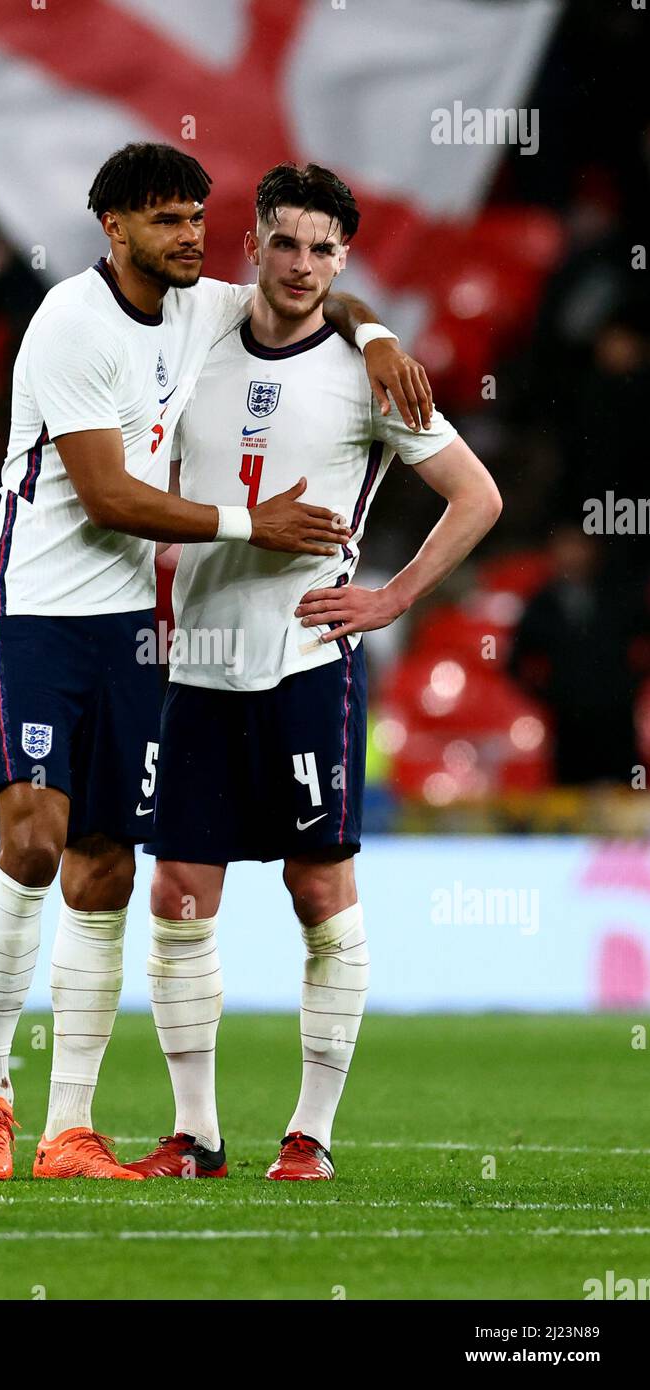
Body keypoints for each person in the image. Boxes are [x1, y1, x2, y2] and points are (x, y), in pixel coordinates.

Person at [0, 142, 432, 1181]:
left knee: (106, 866)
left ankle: (68, 1128)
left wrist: (376, 331)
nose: (188, 237)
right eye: (165, 220)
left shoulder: (199, 306)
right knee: (32, 842)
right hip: (32, 609)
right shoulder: (71, 323)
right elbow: (106, 498)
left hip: (132, 624)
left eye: (194, 218)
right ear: (113, 228)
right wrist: (250, 524)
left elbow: (311, 290)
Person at [125, 162, 501, 1181]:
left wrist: (392, 597)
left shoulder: (372, 374)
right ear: (251, 243)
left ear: (343, 261)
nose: (300, 264)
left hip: (306, 661)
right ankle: (195, 1135)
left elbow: (476, 497)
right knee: (178, 893)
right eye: (284, 242)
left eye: (321, 250)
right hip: (198, 662)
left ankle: (311, 1133)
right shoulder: (194, 337)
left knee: (318, 887)